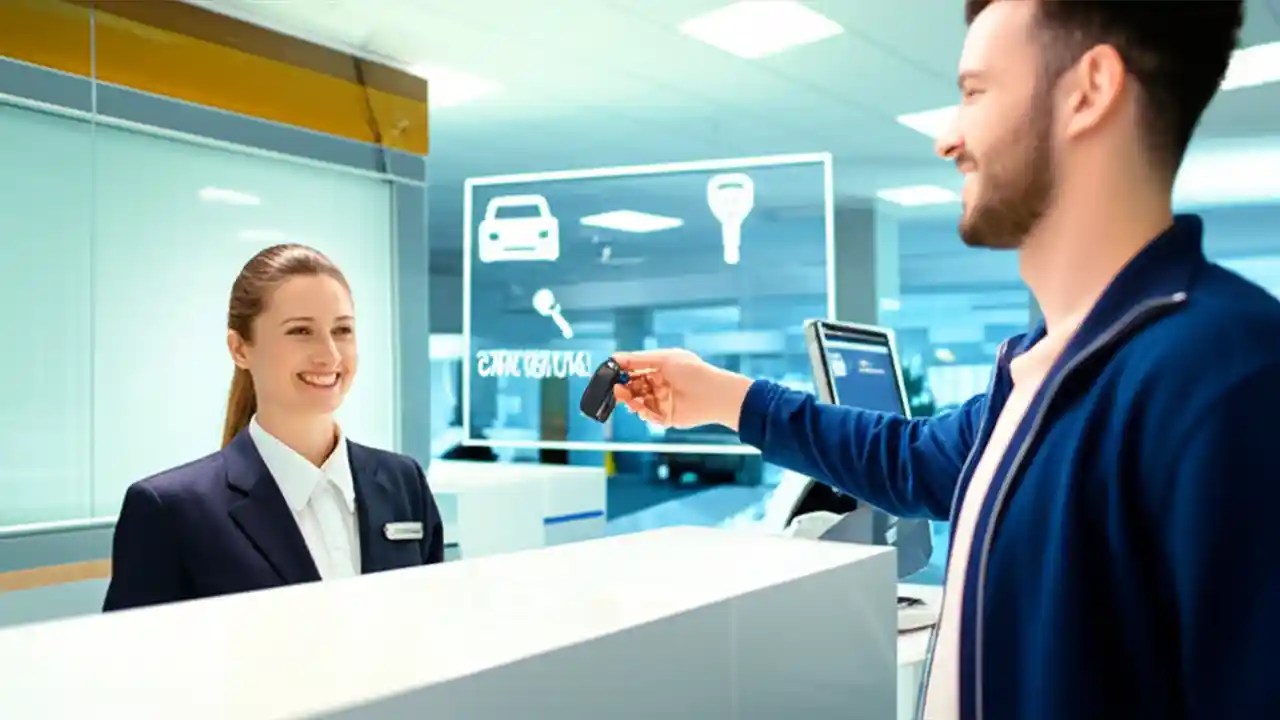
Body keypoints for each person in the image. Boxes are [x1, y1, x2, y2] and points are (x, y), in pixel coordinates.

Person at [615, 1, 1280, 718]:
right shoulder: (1039, 372)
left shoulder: (1228, 378)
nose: (948, 138)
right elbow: (910, 461)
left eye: (974, 93)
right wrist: (722, 398)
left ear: (1088, 90)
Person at [104, 244, 444, 611]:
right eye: (301, 331)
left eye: (342, 330)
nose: (329, 354)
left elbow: (433, 629)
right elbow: (135, 663)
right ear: (239, 349)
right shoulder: (170, 511)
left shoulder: (403, 483)